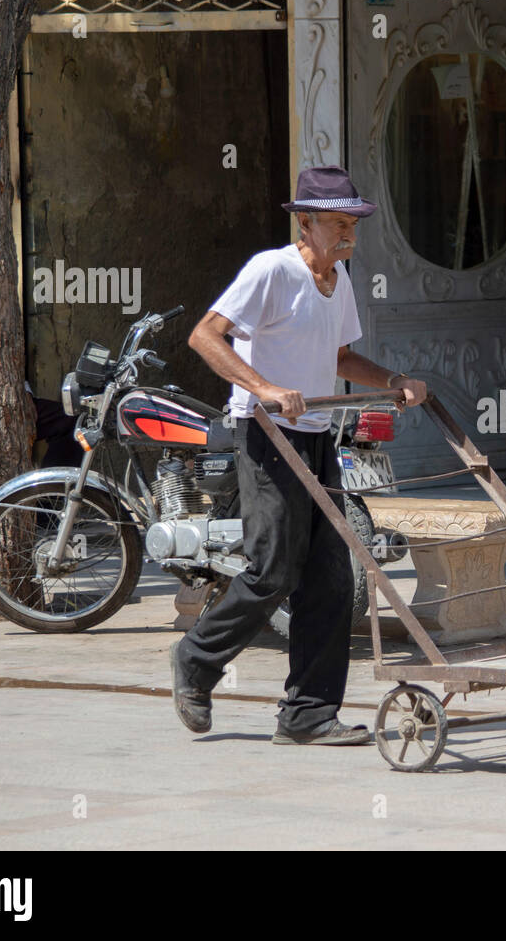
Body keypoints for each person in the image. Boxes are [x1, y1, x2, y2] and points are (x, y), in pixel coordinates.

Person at [171, 166, 428, 745]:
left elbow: (337, 356)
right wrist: (263, 388)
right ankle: (197, 657)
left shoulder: (338, 278)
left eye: (353, 225)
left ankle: (308, 714)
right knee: (274, 568)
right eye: (338, 225)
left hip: (315, 433)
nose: (350, 237)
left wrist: (393, 379)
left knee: (333, 578)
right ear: (304, 223)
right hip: (265, 432)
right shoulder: (272, 270)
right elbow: (206, 336)